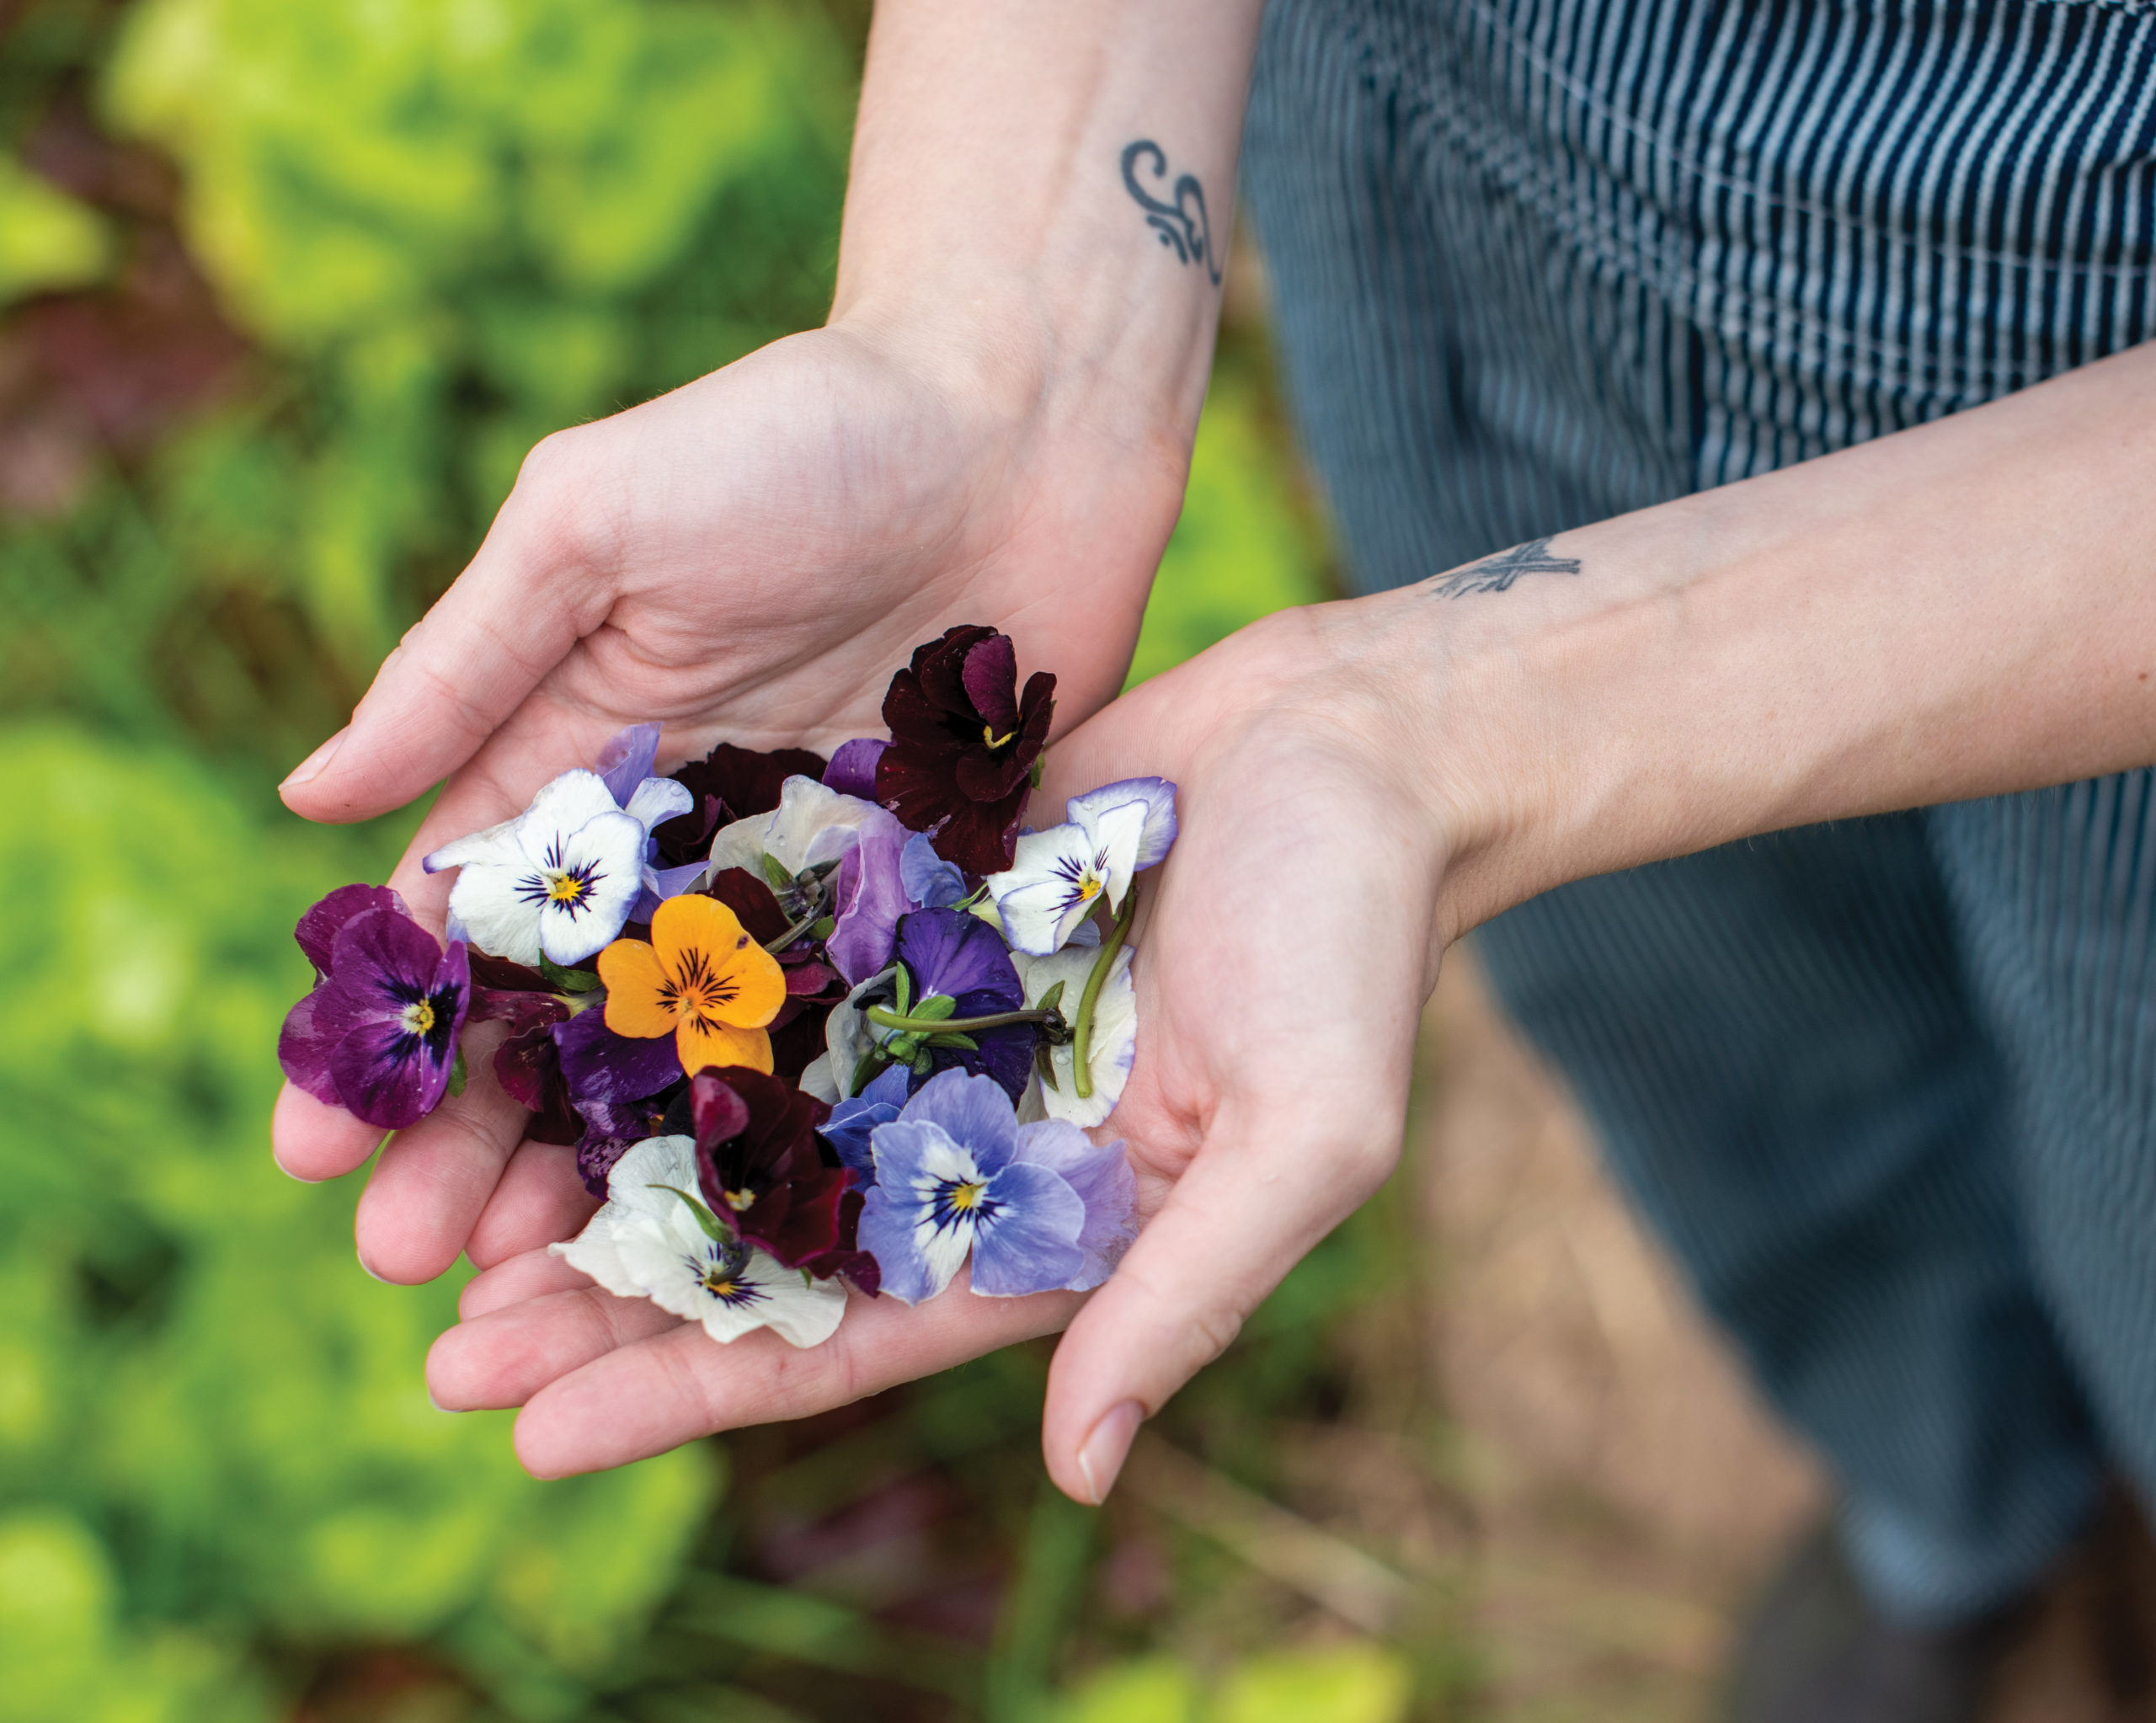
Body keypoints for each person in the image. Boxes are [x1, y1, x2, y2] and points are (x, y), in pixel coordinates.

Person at [269, 2, 2156, 1716]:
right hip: (1460, 166)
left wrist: (1452, 721)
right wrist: (1001, 342)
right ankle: (1945, 1502)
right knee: (1698, 1020)